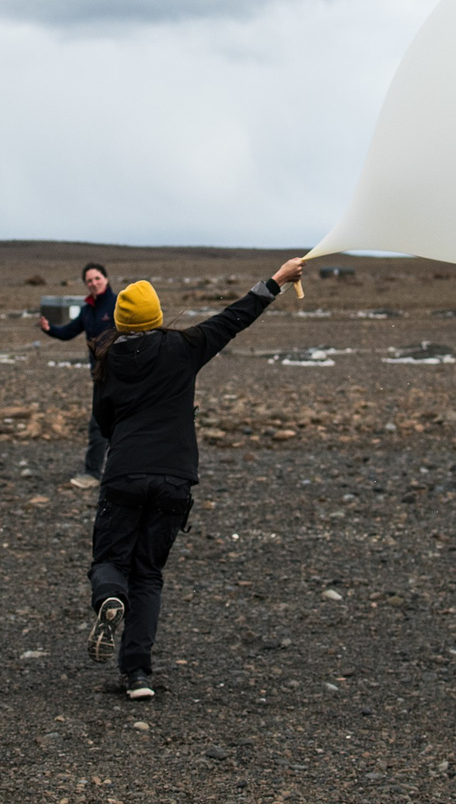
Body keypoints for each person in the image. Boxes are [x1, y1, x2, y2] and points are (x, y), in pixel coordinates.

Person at [84, 256, 304, 700]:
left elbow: (104, 423)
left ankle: (110, 598)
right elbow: (235, 317)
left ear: (122, 322)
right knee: (148, 573)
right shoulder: (185, 347)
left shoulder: (107, 360)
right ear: (158, 315)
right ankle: (138, 676)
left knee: (110, 562)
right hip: (174, 477)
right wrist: (278, 280)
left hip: (124, 472)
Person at [38, 262, 116, 488]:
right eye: (89, 281)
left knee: (122, 424)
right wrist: (49, 328)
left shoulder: (118, 304)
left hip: (122, 375)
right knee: (99, 426)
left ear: (106, 279)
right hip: (100, 378)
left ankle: (120, 471)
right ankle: (93, 474)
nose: (94, 283)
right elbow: (68, 332)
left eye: (97, 278)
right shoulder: (88, 310)